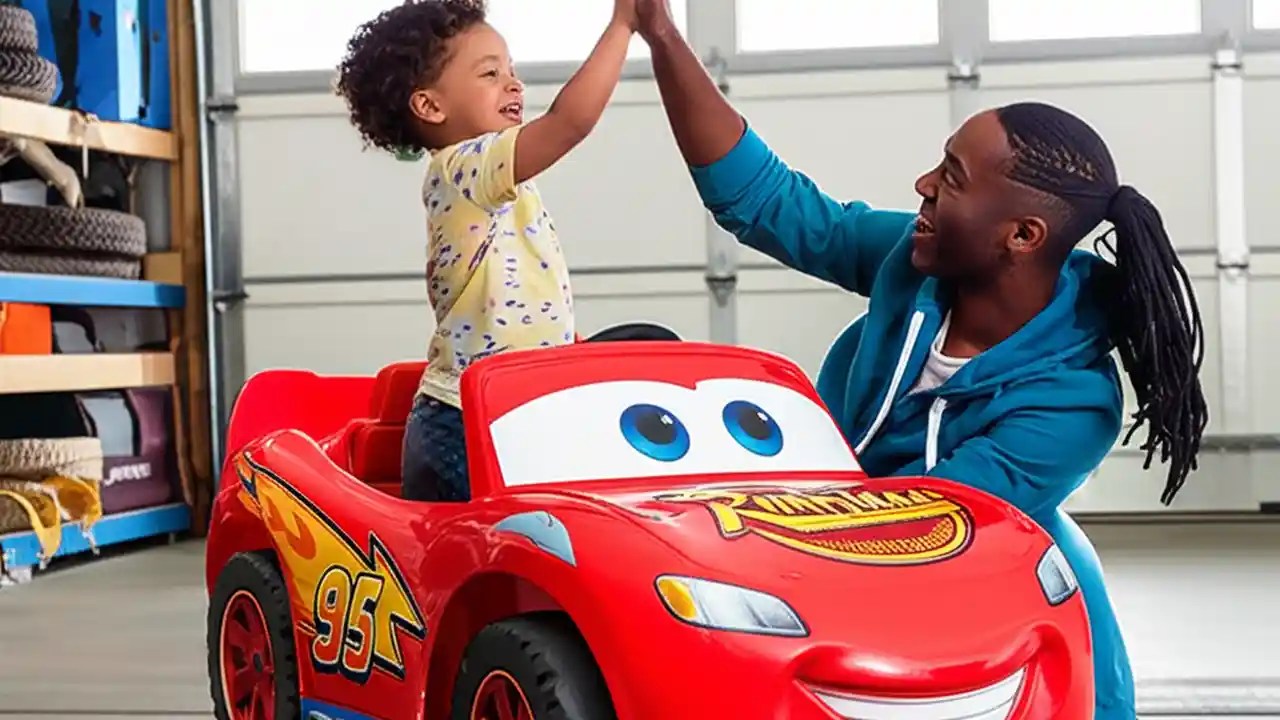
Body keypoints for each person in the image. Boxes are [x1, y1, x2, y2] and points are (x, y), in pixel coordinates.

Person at [633, 1, 1207, 717]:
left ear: (1021, 236)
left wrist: (734, 528)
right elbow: (769, 204)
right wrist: (659, 34)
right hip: (841, 551)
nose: (923, 186)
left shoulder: (1071, 406)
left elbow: (919, 526)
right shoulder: (913, 262)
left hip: (970, 604)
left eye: (954, 177)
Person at [335, 0, 638, 502]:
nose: (514, 84)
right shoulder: (462, 170)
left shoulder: (499, 184)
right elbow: (570, 123)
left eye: (513, 70)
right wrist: (623, 25)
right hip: (465, 421)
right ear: (431, 106)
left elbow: (514, 297)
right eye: (491, 73)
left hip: (514, 409)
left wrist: (566, 342)